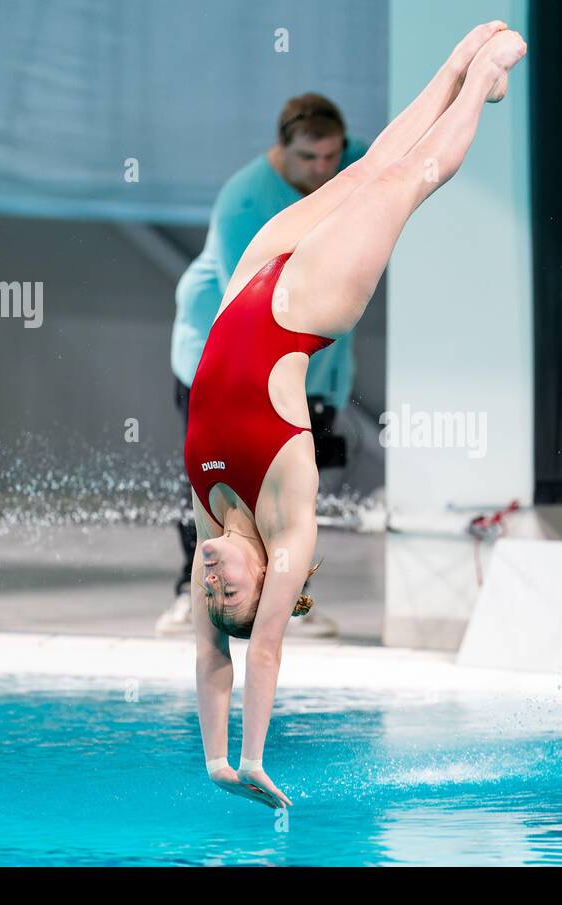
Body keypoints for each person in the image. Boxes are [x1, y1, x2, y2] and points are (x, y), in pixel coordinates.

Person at [189, 22, 527, 809]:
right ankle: (481, 82)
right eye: (226, 595)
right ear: (269, 581)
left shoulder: (211, 521)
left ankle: (453, 64)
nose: (210, 583)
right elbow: (260, 650)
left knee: (371, 166)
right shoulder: (287, 522)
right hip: (303, 311)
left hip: (246, 289)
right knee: (406, 181)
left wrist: (212, 761)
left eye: (210, 596)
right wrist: (253, 759)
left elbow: (211, 659)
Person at [156, 93, 370, 639]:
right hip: (221, 350)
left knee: (298, 485)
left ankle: (289, 591)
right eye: (309, 159)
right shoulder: (244, 202)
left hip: (304, 349)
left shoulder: (352, 162)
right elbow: (252, 309)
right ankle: (191, 590)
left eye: (331, 156)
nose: (323, 169)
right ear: (282, 148)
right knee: (213, 483)